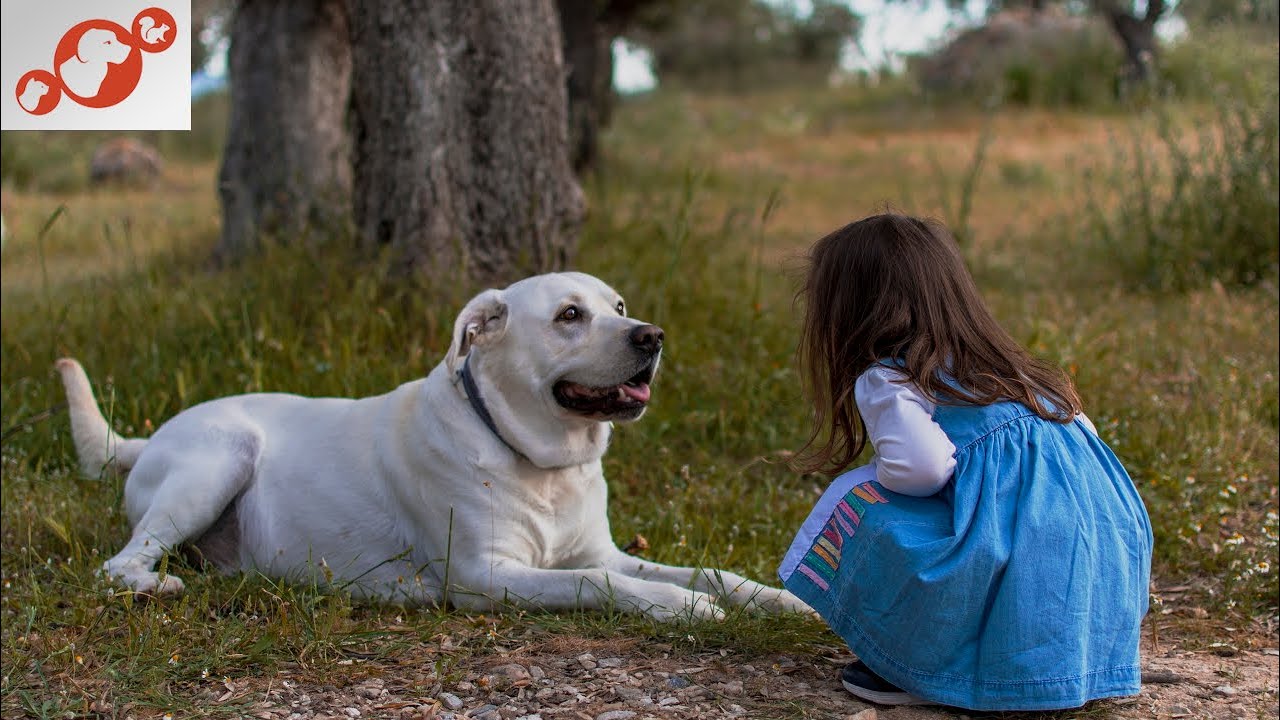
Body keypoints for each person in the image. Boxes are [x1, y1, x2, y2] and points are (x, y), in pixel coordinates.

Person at [778, 213, 1152, 711]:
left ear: (852, 312)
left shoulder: (891, 378)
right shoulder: (1015, 371)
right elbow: (1084, 450)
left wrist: (882, 478)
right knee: (1012, 526)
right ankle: (1060, 663)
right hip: (1103, 556)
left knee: (861, 500)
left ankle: (920, 666)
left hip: (1020, 558)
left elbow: (922, 469)